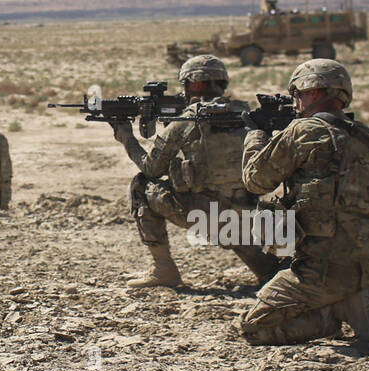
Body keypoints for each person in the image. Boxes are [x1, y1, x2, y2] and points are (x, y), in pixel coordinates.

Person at [236, 59, 369, 344]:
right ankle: (353, 296)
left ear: (312, 92)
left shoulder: (304, 132)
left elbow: (255, 180)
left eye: (297, 95)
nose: (296, 102)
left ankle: (331, 314)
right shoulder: (367, 136)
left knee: (253, 328)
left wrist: (256, 133)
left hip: (327, 268)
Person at [111, 55, 281, 288]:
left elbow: (152, 168)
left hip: (207, 217)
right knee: (265, 267)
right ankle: (270, 271)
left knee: (141, 185)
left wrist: (127, 138)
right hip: (247, 213)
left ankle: (164, 270)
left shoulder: (188, 120)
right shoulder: (249, 116)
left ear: (196, 84)